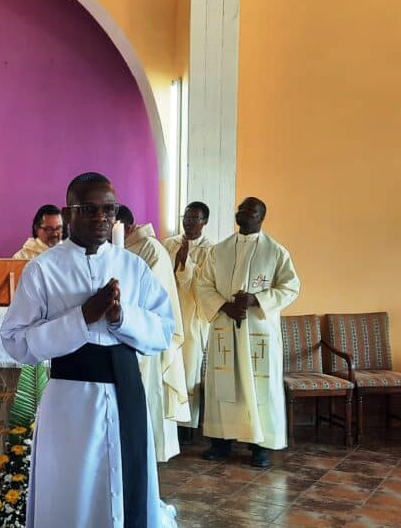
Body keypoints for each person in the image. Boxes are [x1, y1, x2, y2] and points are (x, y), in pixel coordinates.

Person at [1, 173, 174, 528]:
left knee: (125, 516)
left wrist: (120, 317)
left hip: (124, 397)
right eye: (89, 209)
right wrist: (83, 317)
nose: (100, 218)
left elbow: (163, 330)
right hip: (70, 404)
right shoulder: (43, 271)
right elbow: (16, 341)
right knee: (73, 517)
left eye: (108, 209)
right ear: (69, 211)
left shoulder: (134, 268)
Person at [194, 197, 300, 468]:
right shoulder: (219, 250)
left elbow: (290, 287)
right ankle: (220, 442)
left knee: (258, 387)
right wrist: (224, 306)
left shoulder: (276, 252)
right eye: (240, 209)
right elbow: (203, 284)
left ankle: (259, 445)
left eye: (249, 211)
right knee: (225, 385)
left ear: (261, 218)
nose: (242, 213)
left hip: (257, 334)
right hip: (225, 329)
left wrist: (256, 300)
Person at [117, 206, 190, 462]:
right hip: (123, 333)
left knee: (148, 392)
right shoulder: (123, 248)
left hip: (143, 334)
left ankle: (151, 451)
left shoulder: (150, 248)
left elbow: (152, 298)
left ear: (125, 228)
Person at [162, 202, 213, 441]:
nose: (189, 223)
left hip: (193, 316)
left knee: (189, 368)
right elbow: (161, 277)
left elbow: (203, 285)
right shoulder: (169, 244)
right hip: (170, 313)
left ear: (205, 222)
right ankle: (167, 418)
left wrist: (186, 264)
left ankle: (186, 426)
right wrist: (175, 264)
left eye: (195, 218)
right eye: (187, 217)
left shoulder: (210, 251)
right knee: (168, 362)